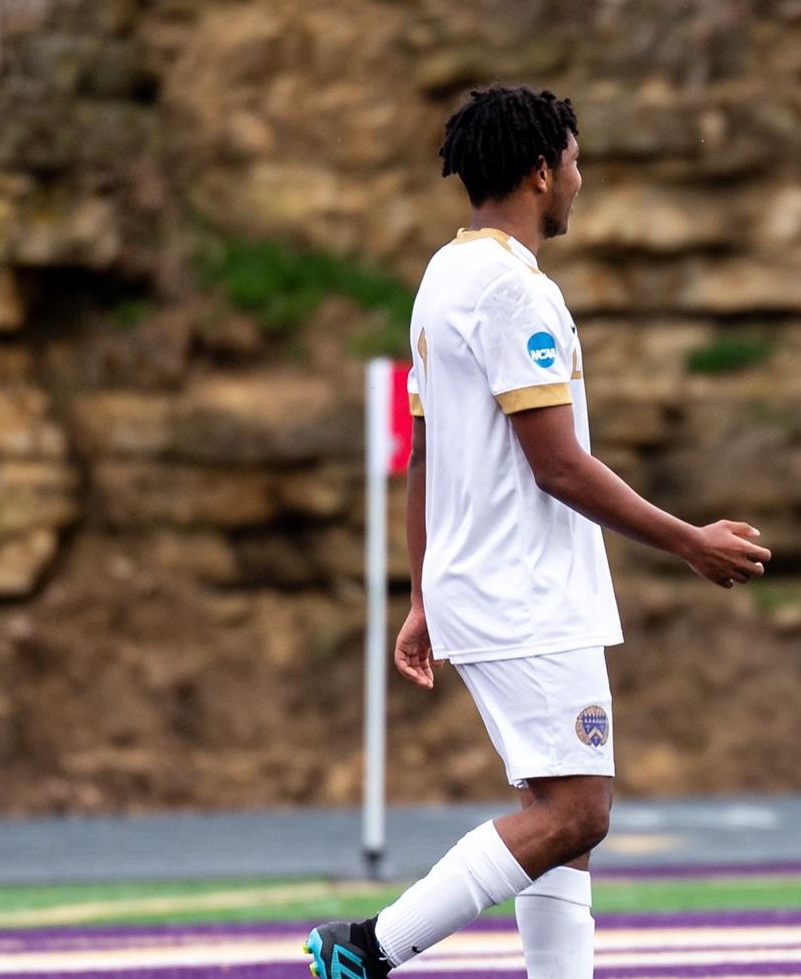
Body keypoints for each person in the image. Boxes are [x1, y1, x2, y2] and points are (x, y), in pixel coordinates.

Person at [305, 85, 771, 979]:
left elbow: (427, 457)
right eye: (574, 160)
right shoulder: (513, 291)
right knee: (579, 813)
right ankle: (367, 946)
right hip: (526, 592)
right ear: (539, 169)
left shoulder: (442, 276)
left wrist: (422, 594)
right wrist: (689, 541)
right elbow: (555, 464)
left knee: (556, 812)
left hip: (484, 584)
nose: (580, 180)